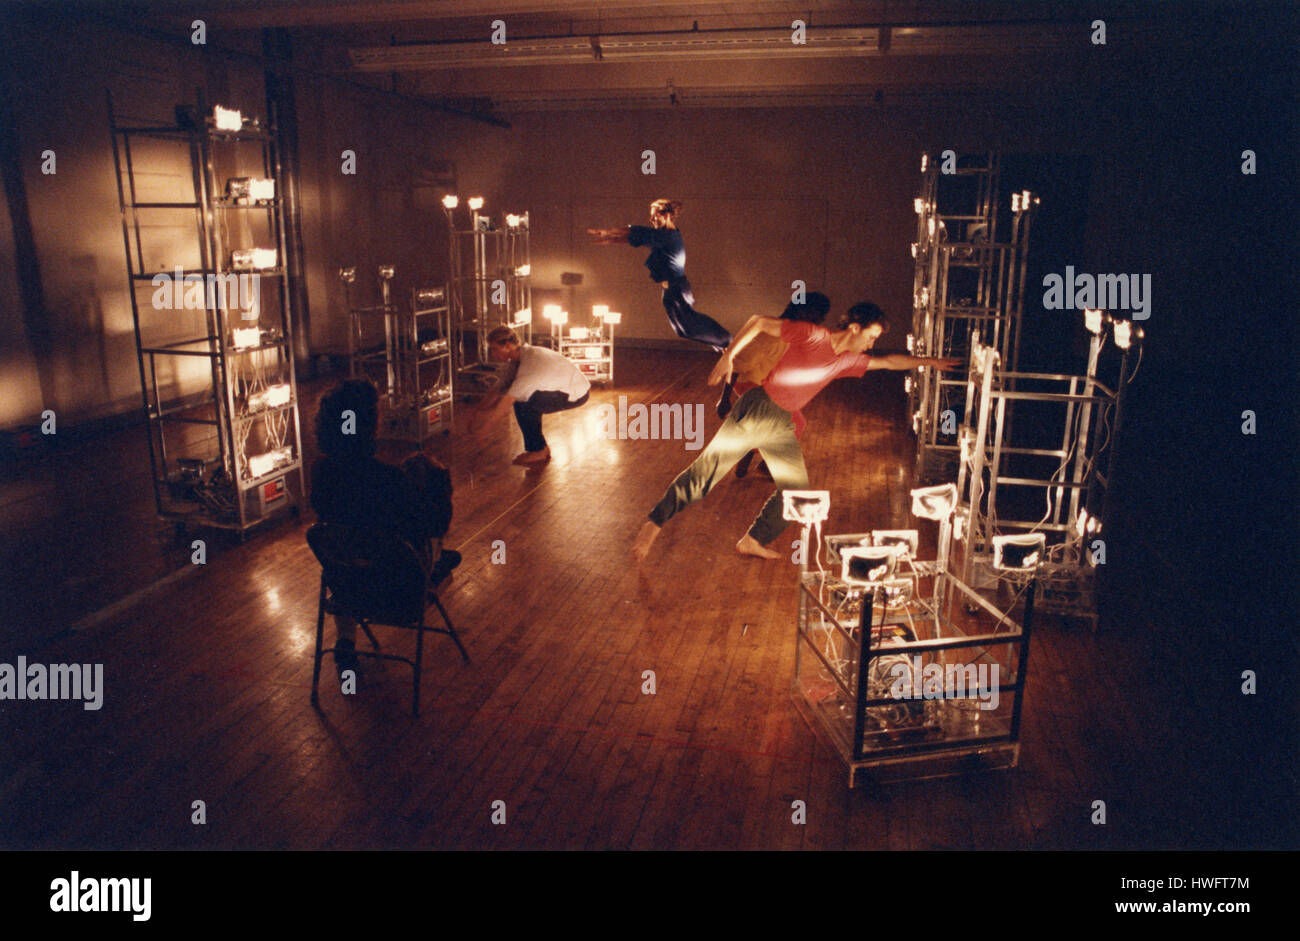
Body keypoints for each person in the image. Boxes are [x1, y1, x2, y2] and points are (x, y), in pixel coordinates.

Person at [632, 302, 963, 562]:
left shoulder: (848, 360)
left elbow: (890, 362)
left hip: (782, 422)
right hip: (760, 408)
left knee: (795, 494)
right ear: (855, 327)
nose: (873, 343)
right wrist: (728, 358)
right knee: (707, 473)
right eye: (872, 336)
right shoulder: (813, 335)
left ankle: (753, 540)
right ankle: (653, 524)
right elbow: (759, 321)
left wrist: (930, 362)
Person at [311, 379, 459, 679]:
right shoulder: (390, 479)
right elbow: (434, 524)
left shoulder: (322, 473)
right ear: (369, 424)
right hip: (398, 588)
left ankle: (346, 641)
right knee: (412, 547)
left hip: (347, 586)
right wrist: (439, 481)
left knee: (345, 551)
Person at [587, 198, 732, 352]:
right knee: (682, 330)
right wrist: (611, 240)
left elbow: (638, 232)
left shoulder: (668, 236)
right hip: (669, 289)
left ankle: (726, 340)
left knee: (690, 323)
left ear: (667, 215)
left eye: (655, 215)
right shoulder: (661, 236)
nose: (651, 219)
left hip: (677, 287)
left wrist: (609, 232)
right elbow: (638, 239)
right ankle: (722, 343)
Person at [721, 292, 831, 481]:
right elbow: (737, 365)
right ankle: (763, 462)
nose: (819, 321)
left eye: (821, 317)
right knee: (794, 422)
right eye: (816, 315)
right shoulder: (770, 335)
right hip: (749, 383)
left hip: (767, 383)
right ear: (802, 311)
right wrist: (724, 399)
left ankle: (755, 457)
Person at [467, 325, 591, 465]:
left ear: (508, 346)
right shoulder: (517, 360)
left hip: (577, 393)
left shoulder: (530, 365)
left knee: (523, 403)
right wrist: (477, 411)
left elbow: (507, 401)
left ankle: (538, 450)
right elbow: (498, 389)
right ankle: (540, 448)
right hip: (565, 386)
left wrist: (484, 431)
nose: (493, 354)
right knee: (523, 400)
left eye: (494, 349)